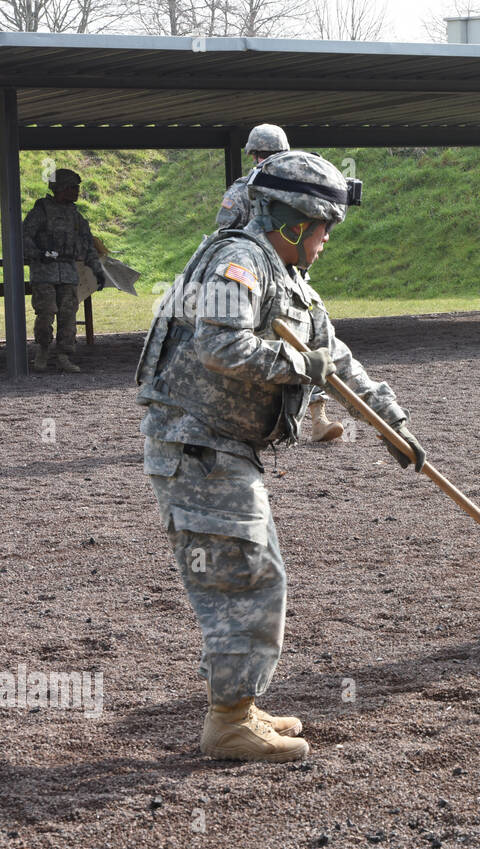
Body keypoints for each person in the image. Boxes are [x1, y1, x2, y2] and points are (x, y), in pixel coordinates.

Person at [136, 150, 427, 763]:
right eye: (323, 227)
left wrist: (391, 422)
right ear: (295, 221)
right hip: (196, 445)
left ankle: (240, 705)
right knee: (247, 578)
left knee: (250, 572)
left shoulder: (290, 278)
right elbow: (221, 346)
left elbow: (338, 359)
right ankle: (229, 721)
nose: (326, 240)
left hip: (227, 448)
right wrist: (299, 365)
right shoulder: (239, 261)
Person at [217, 124, 344, 443]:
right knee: (252, 345)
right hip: (256, 281)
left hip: (294, 279)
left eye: (273, 155)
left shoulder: (300, 185)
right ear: (254, 156)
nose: (268, 160)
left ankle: (318, 417)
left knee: (318, 339)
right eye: (264, 155)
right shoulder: (242, 190)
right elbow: (226, 236)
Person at [21, 168, 106, 373]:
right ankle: (42, 350)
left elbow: (87, 243)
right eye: (73, 187)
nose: (77, 191)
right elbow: (23, 237)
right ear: (61, 188)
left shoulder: (75, 216)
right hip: (44, 272)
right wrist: (38, 253)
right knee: (46, 313)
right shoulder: (41, 212)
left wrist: (97, 270)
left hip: (68, 272)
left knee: (68, 316)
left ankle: (63, 355)